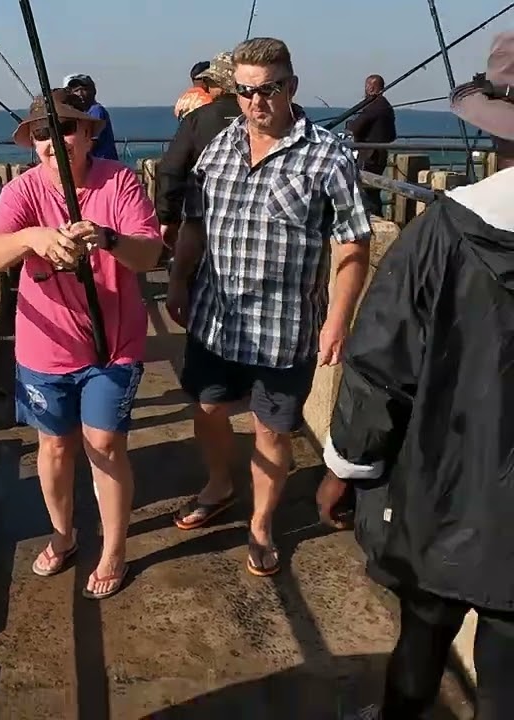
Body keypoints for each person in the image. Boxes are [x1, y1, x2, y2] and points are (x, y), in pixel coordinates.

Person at [318, 32, 514, 719]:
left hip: (443, 492)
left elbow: (380, 365)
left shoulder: (441, 233)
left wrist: (347, 466)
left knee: (424, 624)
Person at [165, 37, 372, 577]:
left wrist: (336, 321)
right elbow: (194, 222)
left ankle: (260, 525)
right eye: (246, 91)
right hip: (216, 318)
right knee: (207, 410)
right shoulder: (218, 147)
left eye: (270, 90)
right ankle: (219, 484)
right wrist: (180, 280)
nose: (258, 102)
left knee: (271, 430)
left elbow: (353, 246)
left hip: (285, 329)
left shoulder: (328, 155)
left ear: (291, 87)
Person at [0, 89, 163, 599]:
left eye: (64, 129)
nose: (53, 142)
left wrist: (105, 238)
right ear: (30, 143)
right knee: (55, 445)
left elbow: (149, 254)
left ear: (87, 134)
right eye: (41, 133)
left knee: (104, 443)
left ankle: (113, 548)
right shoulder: (21, 193)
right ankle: (63, 534)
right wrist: (36, 239)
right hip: (45, 346)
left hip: (114, 343)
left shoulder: (120, 182)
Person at [156, 52, 241, 250]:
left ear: (220, 83)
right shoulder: (261, 116)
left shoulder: (197, 119)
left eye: (210, 81)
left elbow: (171, 170)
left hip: (205, 217)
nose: (207, 87)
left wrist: (167, 218)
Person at [345, 74, 397, 217]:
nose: (366, 88)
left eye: (368, 85)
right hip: (380, 155)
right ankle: (375, 217)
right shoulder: (386, 107)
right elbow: (392, 135)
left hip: (369, 155)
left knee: (366, 190)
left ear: (373, 87)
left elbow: (356, 128)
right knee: (374, 190)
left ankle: (371, 219)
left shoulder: (373, 107)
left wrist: (349, 124)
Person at [64, 74, 120, 161]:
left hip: (103, 164)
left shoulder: (96, 110)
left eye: (84, 89)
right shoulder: (82, 113)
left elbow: (89, 143)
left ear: (93, 91)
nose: (80, 94)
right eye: (76, 90)